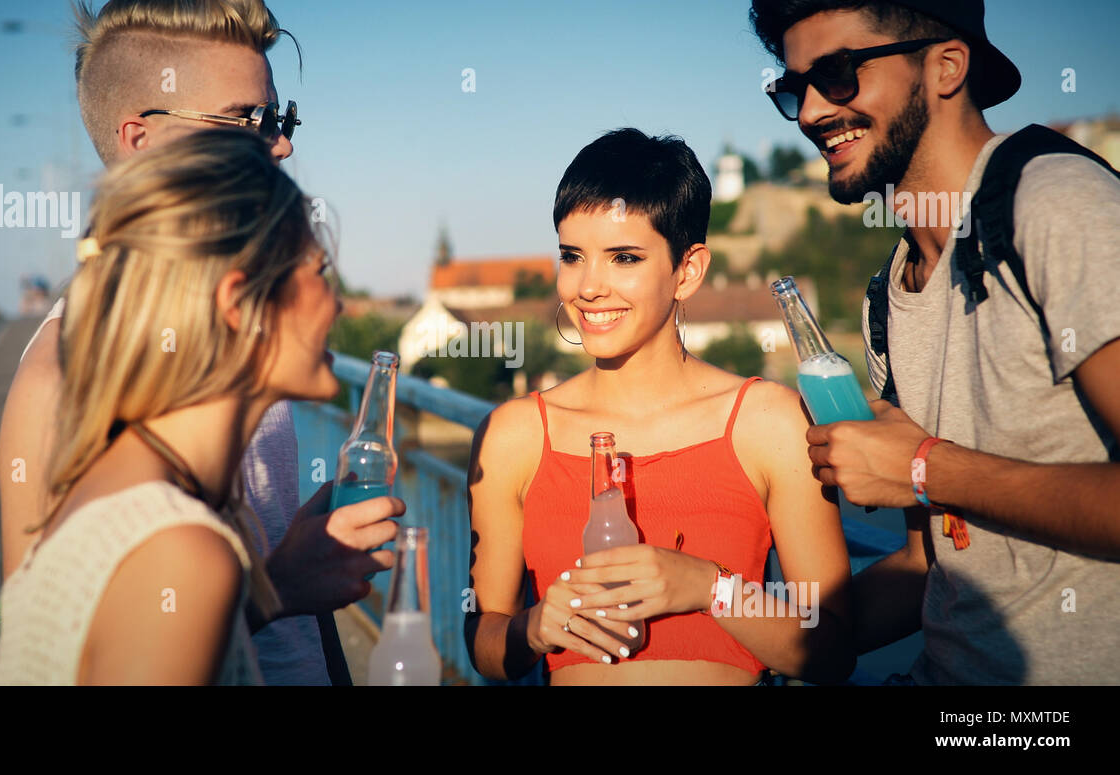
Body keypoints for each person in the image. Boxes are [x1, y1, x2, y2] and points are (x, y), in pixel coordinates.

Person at [0, 0, 400, 685]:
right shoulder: (61, 378)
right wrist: (276, 587)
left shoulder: (236, 347)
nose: (282, 143)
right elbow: (54, 650)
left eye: (279, 118)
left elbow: (294, 605)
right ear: (139, 139)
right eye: (246, 121)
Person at [749, 0, 1120, 684]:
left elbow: (924, 472)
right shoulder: (889, 293)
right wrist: (722, 611)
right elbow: (930, 561)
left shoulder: (1055, 206)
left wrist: (923, 466)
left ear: (946, 66)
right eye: (793, 88)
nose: (807, 113)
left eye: (836, 74)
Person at [464, 128, 855, 685]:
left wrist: (708, 587)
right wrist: (532, 627)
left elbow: (833, 650)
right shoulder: (514, 434)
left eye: (624, 258)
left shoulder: (769, 422)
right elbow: (484, 643)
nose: (588, 287)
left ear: (688, 270)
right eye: (573, 256)